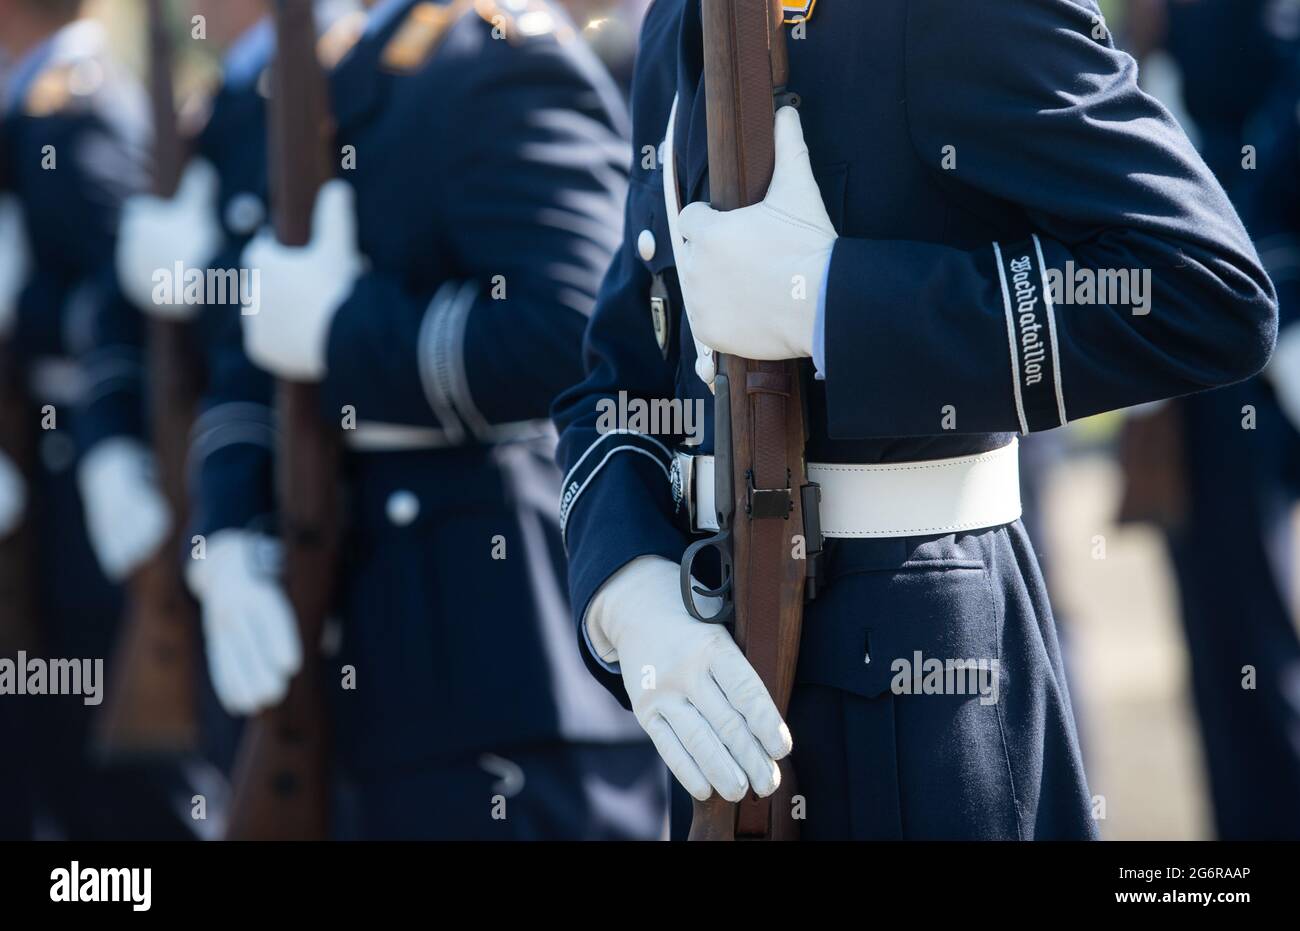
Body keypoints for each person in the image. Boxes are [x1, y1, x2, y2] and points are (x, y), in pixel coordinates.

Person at [553, 0, 1278, 839]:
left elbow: (1203, 286)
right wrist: (627, 584)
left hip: (922, 694)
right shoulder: (681, 15)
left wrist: (831, 300)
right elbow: (620, 370)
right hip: (725, 667)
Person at [167, 0, 664, 839]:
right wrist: (229, 528)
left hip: (500, 668)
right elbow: (254, 348)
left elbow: (578, 328)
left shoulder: (501, 57)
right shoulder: (339, 68)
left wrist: (340, 331)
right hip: (368, 662)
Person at [0, 0, 191, 839]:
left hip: (88, 477)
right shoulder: (37, 100)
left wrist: (18, 301)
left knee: (119, 783)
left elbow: (133, 298)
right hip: (50, 471)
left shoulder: (68, 109)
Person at [1117, 0, 1300, 839]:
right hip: (1197, 348)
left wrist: (1202, 199)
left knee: (1261, 650)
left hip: (1259, 341)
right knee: (1223, 649)